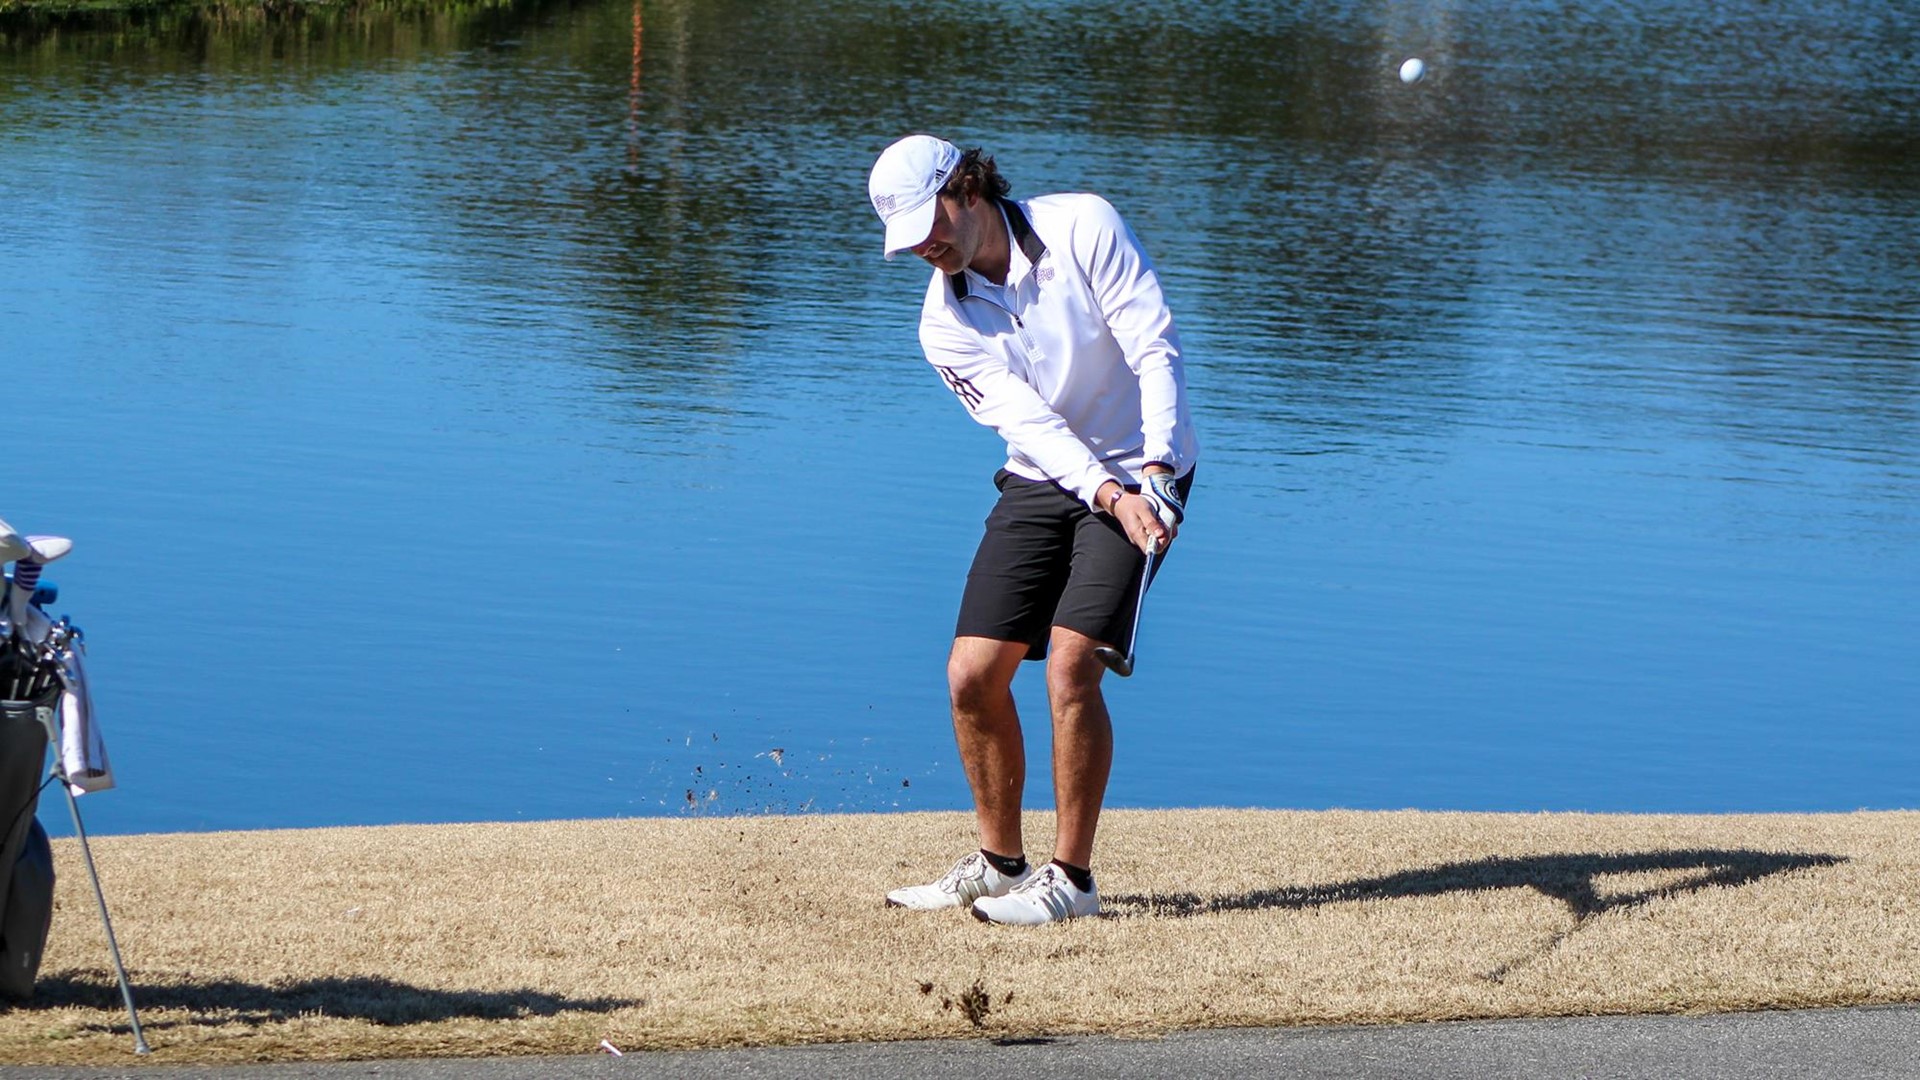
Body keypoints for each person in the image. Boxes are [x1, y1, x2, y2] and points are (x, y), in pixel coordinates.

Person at [866, 134, 1199, 925]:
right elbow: (1032, 425)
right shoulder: (942, 324)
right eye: (909, 238)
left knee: (1072, 666)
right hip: (1046, 472)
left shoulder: (1084, 225)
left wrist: (1154, 472)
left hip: (1145, 463)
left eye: (930, 223)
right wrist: (1104, 493)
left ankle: (1072, 881)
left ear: (969, 187)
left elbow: (1153, 347)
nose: (925, 246)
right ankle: (999, 863)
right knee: (971, 674)